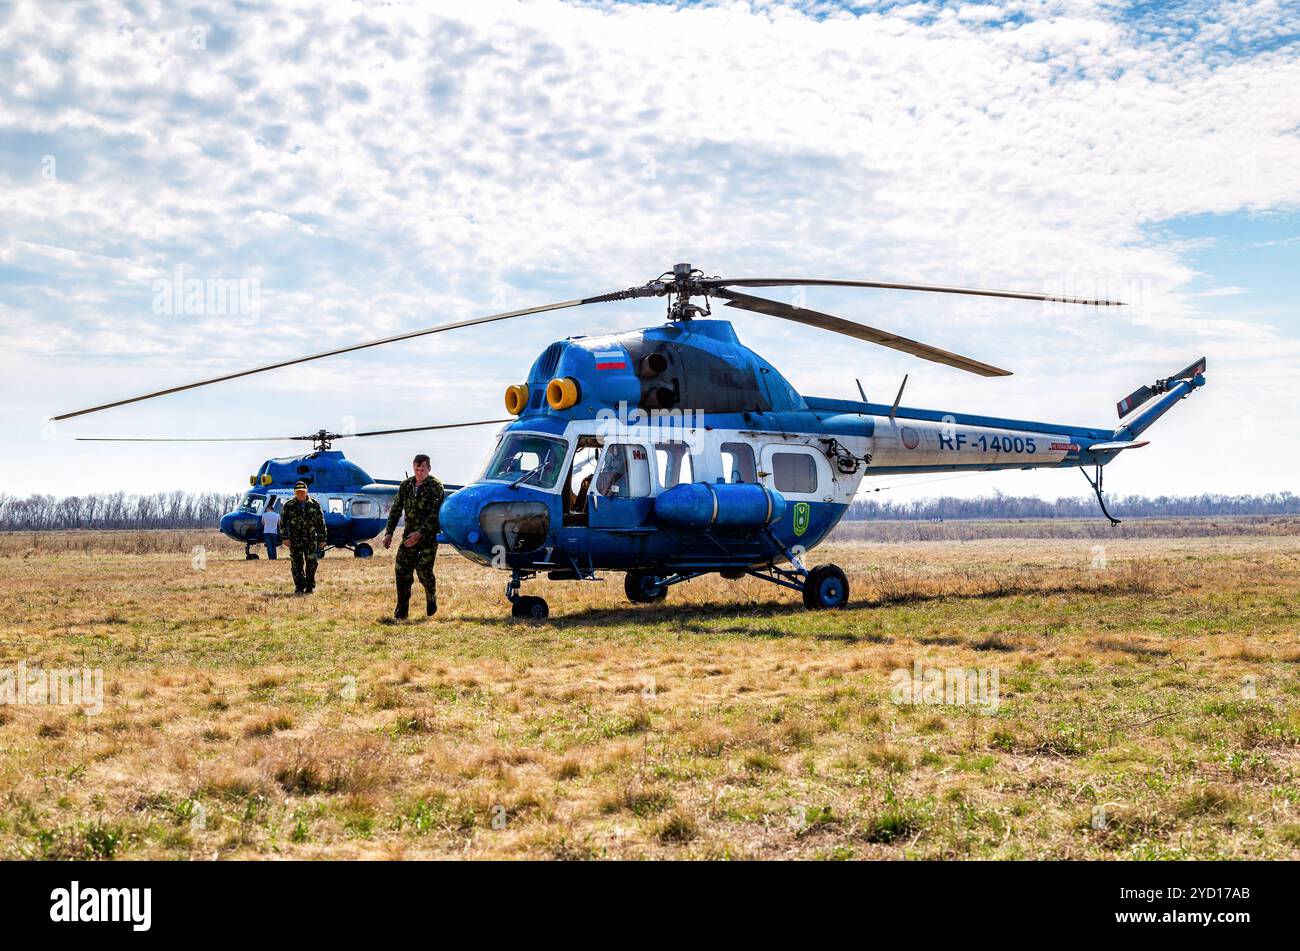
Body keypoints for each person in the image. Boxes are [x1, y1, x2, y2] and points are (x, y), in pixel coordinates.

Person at [383, 453, 444, 619]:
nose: (419, 472)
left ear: (429, 469)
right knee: (401, 571)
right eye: (417, 469)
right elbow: (396, 510)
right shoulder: (406, 485)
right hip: (408, 535)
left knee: (423, 571)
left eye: (422, 469)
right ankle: (402, 609)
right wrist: (389, 533)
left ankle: (431, 596)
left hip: (427, 537)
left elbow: (435, 515)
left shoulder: (435, 486)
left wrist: (420, 534)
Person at [280, 481, 326, 595]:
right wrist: (284, 537)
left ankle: (310, 586)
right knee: (296, 564)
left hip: (311, 540)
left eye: (302, 492)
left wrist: (323, 538)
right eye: (298, 492)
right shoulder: (289, 505)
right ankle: (299, 587)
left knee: (312, 563)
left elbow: (321, 522)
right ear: (295, 493)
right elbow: (282, 523)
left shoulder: (315, 504)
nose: (300, 494)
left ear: (306, 492)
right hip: (295, 540)